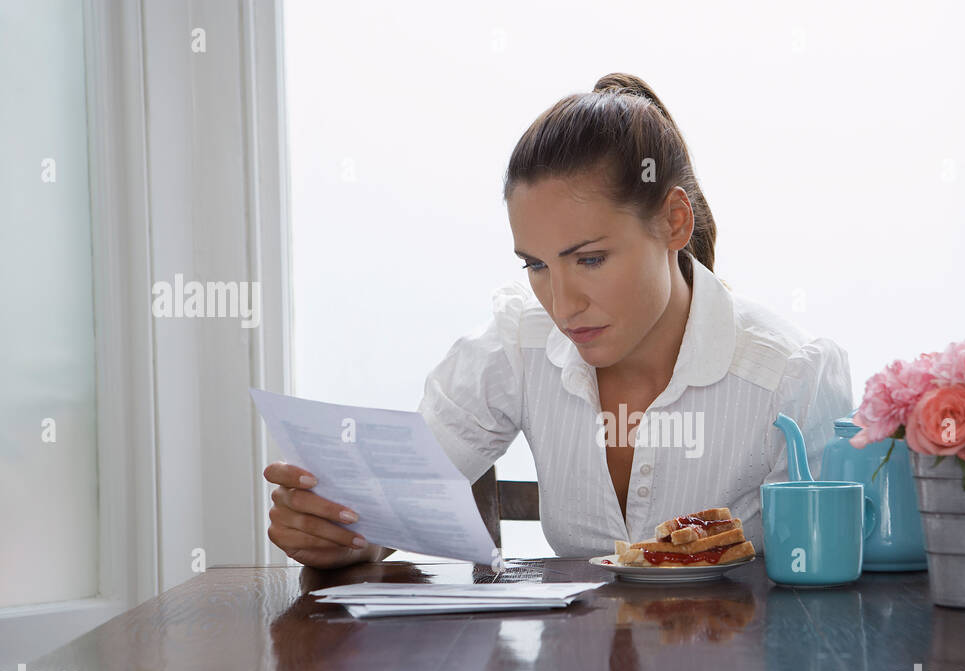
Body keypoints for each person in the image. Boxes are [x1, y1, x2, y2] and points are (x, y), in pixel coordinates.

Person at [264, 72, 852, 569]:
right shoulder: (520, 345)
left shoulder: (789, 377)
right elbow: (386, 513)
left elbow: (833, 595)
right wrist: (336, 535)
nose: (562, 304)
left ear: (674, 221)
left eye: (590, 259)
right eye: (537, 265)